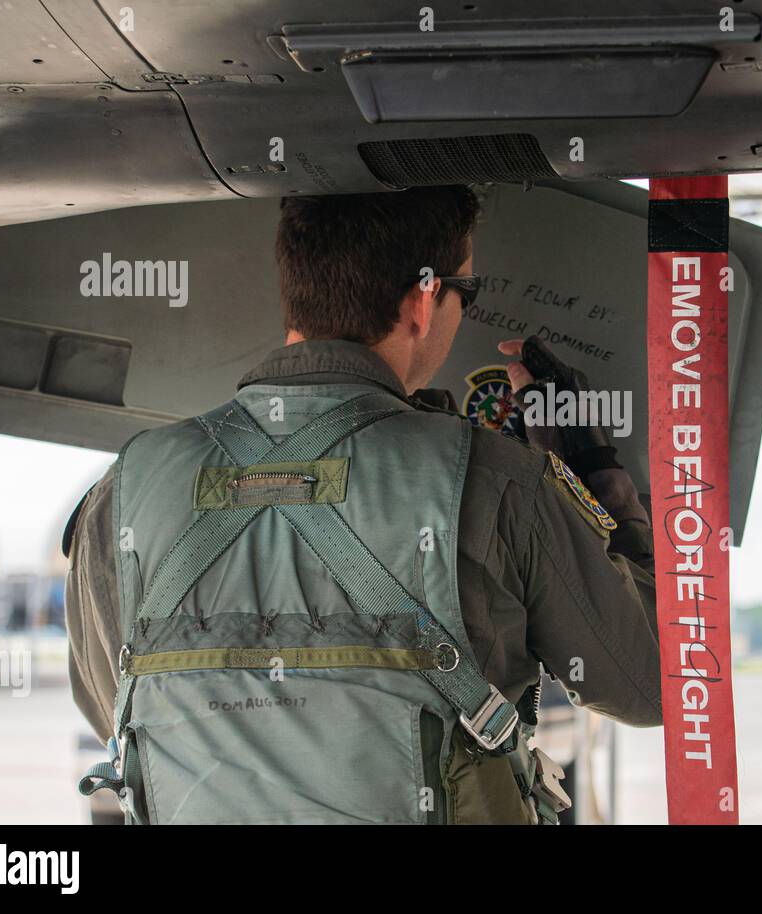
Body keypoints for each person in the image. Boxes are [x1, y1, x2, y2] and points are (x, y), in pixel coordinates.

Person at [65, 187, 661, 825]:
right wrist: (596, 480)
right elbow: (648, 683)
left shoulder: (124, 488)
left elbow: (120, 706)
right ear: (423, 301)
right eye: (468, 292)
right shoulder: (499, 478)